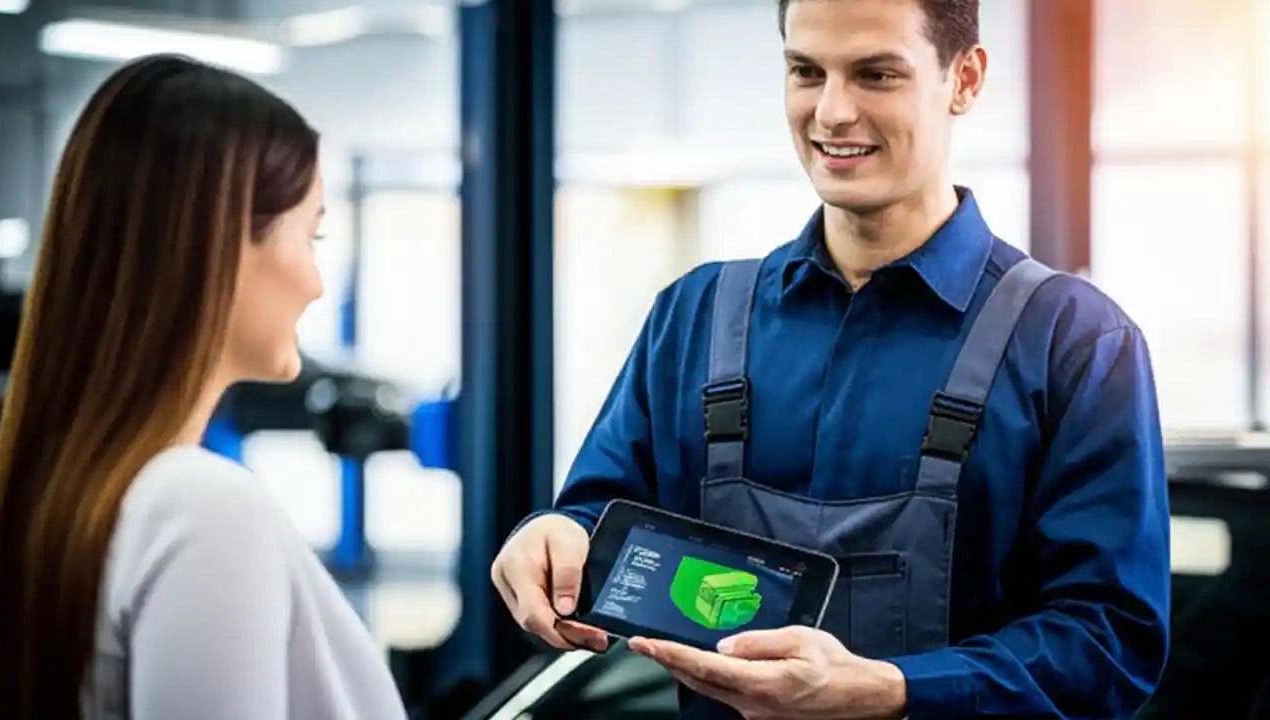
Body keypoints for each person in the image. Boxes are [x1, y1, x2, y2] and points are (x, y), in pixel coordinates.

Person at [491, 0, 1171, 718]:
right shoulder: (693, 316)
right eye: (806, 72)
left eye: (876, 74)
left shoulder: (1076, 342)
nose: (832, 113)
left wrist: (890, 692)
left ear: (964, 79)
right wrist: (554, 537)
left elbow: (1108, 643)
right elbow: (601, 521)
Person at [0, 55, 408, 720]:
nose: (317, 282)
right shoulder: (200, 507)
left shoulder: (56, 492)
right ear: (223, 246)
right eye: (313, 232)